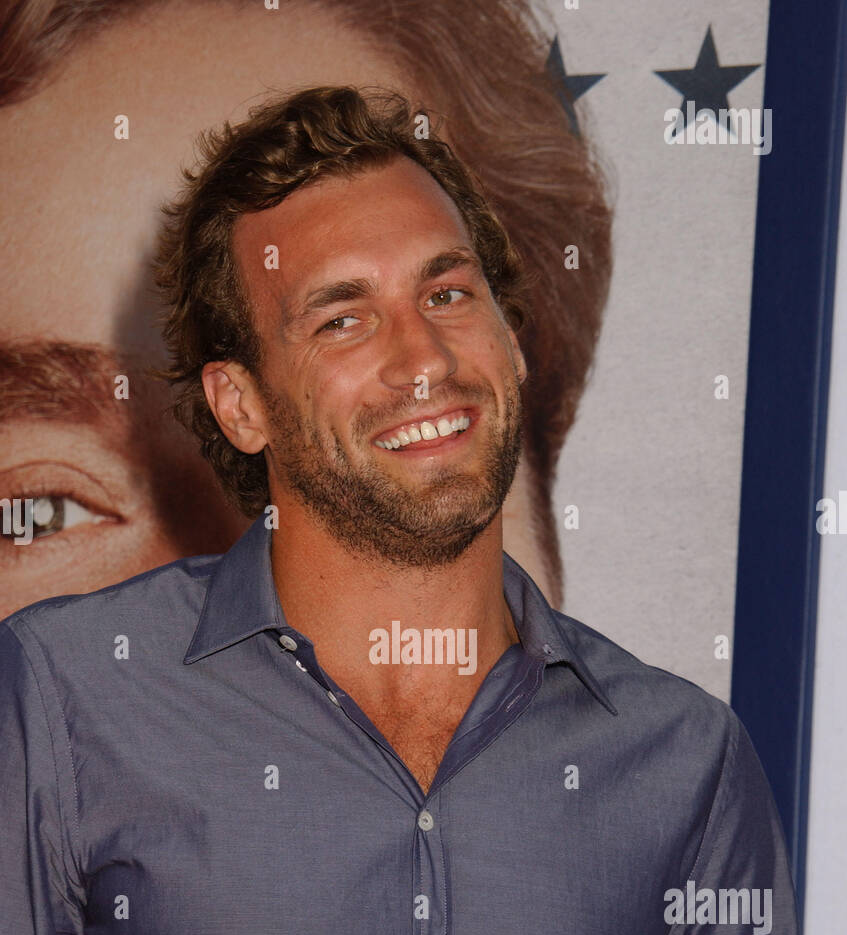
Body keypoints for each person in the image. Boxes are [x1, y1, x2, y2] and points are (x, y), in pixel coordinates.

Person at [0, 85, 819, 935]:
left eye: (447, 293)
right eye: (342, 320)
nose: (423, 358)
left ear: (510, 333)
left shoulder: (677, 761)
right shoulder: (71, 699)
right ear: (242, 401)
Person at [0, 0, 612, 621]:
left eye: (444, 297)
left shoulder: (674, 721)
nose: (425, 361)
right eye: (47, 507)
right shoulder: (51, 684)